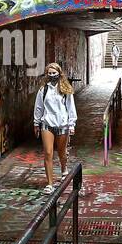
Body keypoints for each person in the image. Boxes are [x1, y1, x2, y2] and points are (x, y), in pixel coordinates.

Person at [33, 62, 77, 191]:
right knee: (48, 153)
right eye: (49, 73)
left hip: (62, 124)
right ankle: (50, 183)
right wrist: (36, 123)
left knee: (62, 152)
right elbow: (39, 107)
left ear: (59, 73)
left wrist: (72, 124)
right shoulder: (43, 89)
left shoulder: (65, 89)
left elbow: (70, 107)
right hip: (47, 124)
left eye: (54, 73)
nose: (52, 75)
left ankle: (64, 169)